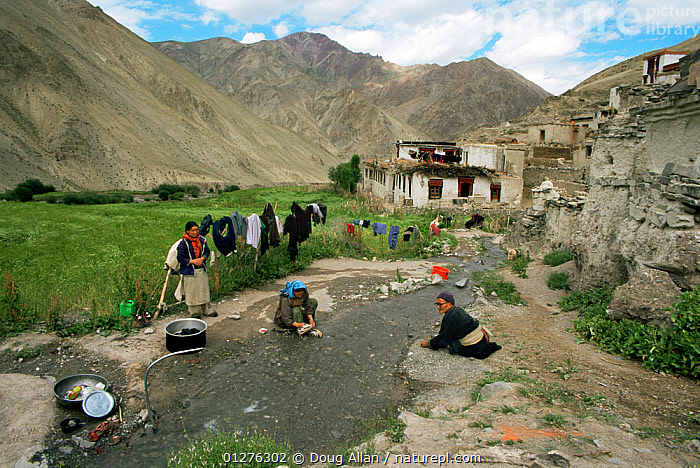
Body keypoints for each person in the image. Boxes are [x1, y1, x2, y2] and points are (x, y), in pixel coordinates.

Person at [421, 292, 500, 358]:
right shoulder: (458, 310)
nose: (438, 307)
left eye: (440, 304)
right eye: (437, 304)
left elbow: (443, 339)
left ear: (449, 304)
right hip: (482, 342)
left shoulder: (450, 317)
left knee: (452, 345)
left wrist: (429, 343)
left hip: (474, 348)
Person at [177, 221, 217, 318]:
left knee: (203, 290)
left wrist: (202, 258)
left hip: (201, 270)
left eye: (196, 230)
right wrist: (193, 261)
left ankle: (207, 310)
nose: (195, 232)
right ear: (187, 231)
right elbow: (180, 258)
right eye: (192, 230)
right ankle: (195, 313)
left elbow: (207, 251)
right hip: (190, 271)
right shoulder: (183, 243)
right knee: (193, 293)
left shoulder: (202, 241)